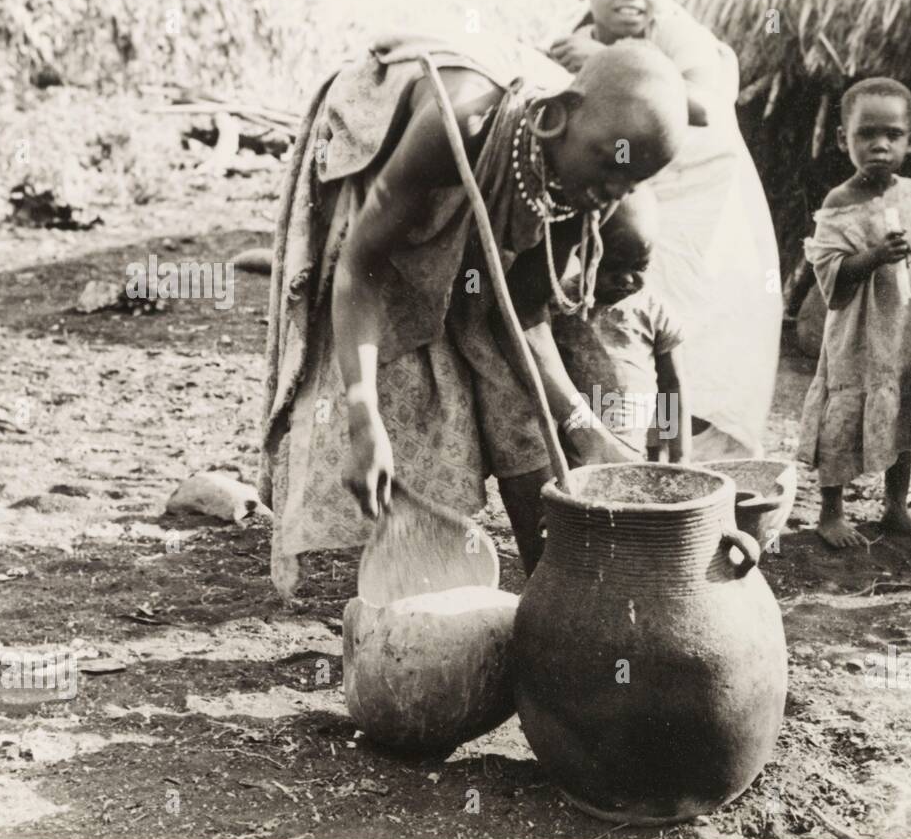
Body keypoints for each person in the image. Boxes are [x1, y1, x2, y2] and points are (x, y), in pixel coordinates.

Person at [259, 32, 690, 595]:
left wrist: (584, 427)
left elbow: (522, 318)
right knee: (404, 384)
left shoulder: (572, 186)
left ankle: (552, 594)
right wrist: (364, 420)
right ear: (556, 118)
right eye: (611, 166)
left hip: (486, 193)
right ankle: (409, 578)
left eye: (633, 182)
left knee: (514, 389)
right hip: (382, 194)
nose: (613, 192)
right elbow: (361, 269)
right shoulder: (454, 122)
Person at [547, 0, 782, 459]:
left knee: (679, 338)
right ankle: (610, 446)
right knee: (610, 338)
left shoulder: (676, 32)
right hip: (621, 198)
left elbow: (705, 106)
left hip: (694, 207)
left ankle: (676, 457)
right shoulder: (567, 37)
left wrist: (605, 62)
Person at [797, 78, 911, 548]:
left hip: (907, 332)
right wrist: (871, 257)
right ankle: (831, 511)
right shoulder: (839, 202)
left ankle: (896, 507)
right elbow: (831, 275)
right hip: (859, 338)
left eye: (892, 135)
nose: (879, 145)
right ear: (842, 139)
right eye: (866, 135)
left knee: (905, 414)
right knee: (845, 417)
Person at [551, 186, 690, 464]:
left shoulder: (654, 310)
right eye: (613, 266)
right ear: (583, 253)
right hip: (574, 452)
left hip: (635, 448)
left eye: (640, 267)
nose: (627, 280)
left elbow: (671, 385)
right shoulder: (561, 304)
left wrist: (678, 456)